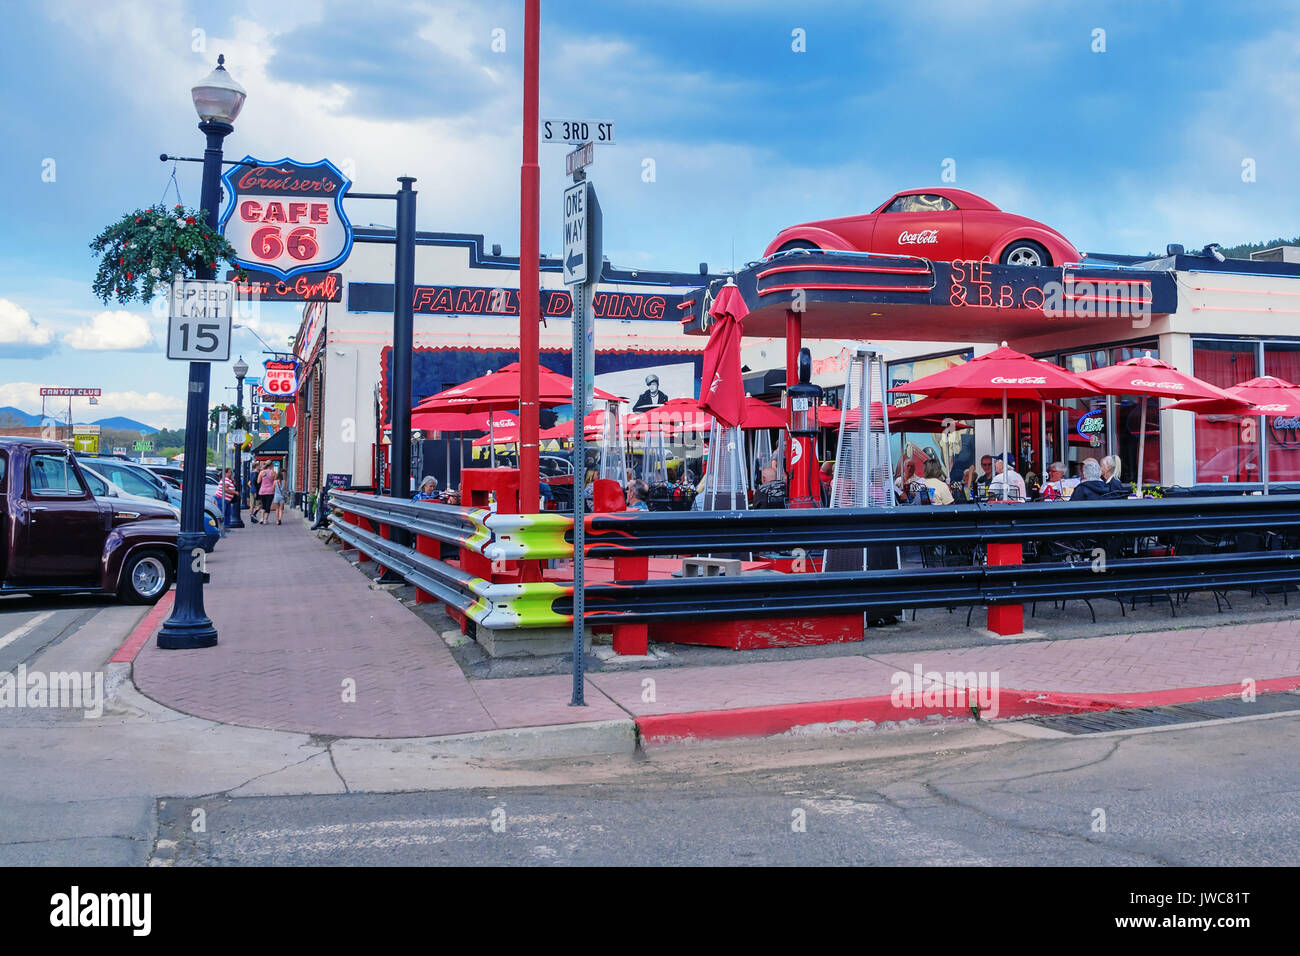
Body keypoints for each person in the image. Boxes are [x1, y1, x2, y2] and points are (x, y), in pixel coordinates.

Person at [215, 468, 236, 532]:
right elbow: (225, 489)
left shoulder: (227, 480)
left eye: (231, 472)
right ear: (225, 473)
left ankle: (225, 527)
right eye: (229, 472)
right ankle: (221, 528)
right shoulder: (225, 480)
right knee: (223, 513)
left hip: (226, 500)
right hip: (222, 499)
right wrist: (234, 492)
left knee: (227, 513)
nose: (231, 474)